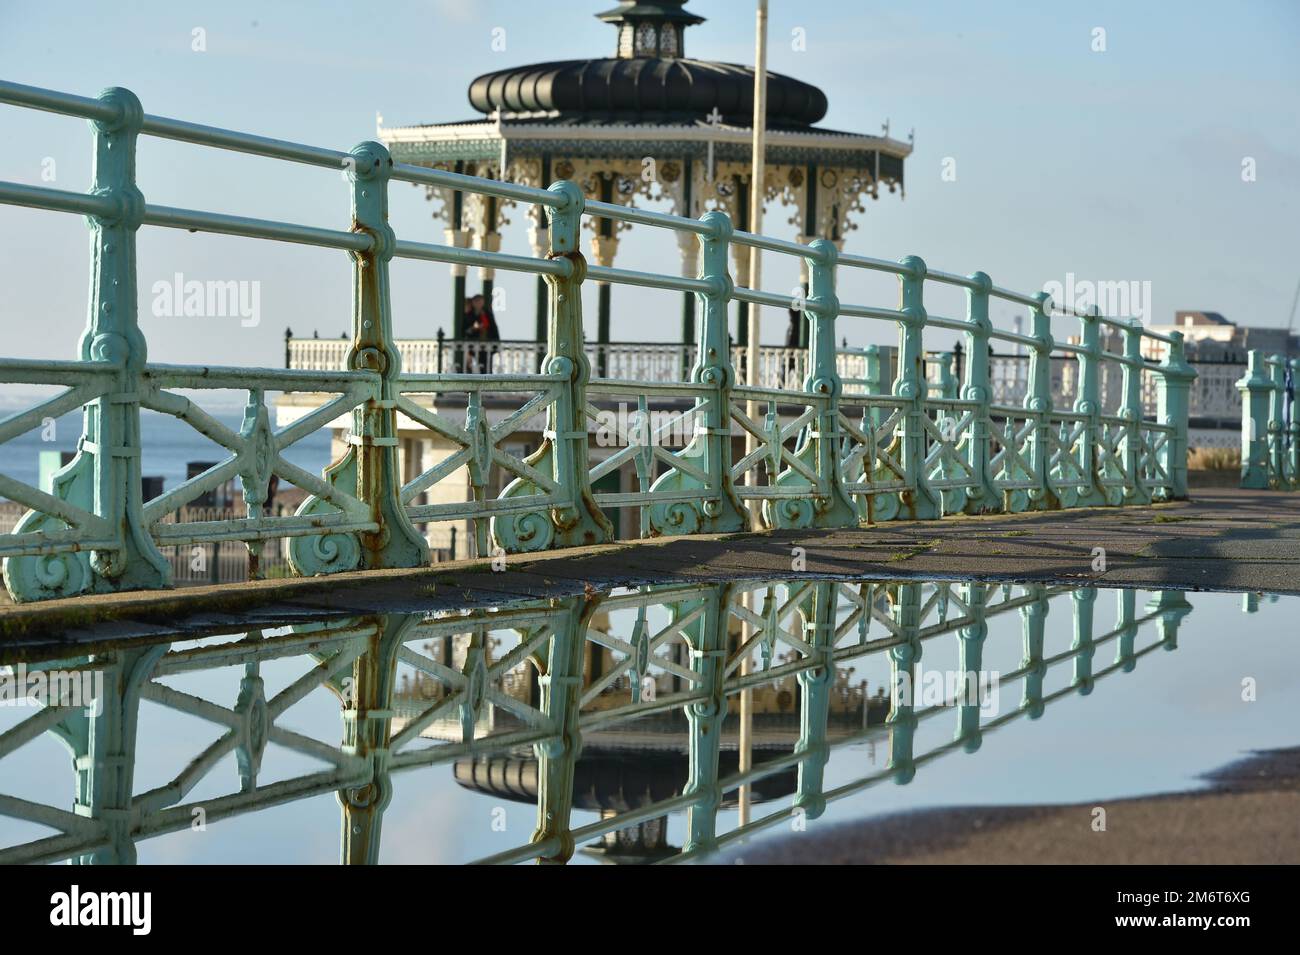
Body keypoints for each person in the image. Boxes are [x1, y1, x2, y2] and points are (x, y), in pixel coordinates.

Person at [466, 294, 500, 373]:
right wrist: (474, 328)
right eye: (477, 302)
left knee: (487, 368)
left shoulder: (487, 313)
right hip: (474, 347)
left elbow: (494, 329)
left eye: (481, 302)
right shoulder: (470, 315)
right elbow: (466, 330)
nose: (479, 304)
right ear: (473, 303)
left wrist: (497, 343)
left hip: (487, 346)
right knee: (475, 368)